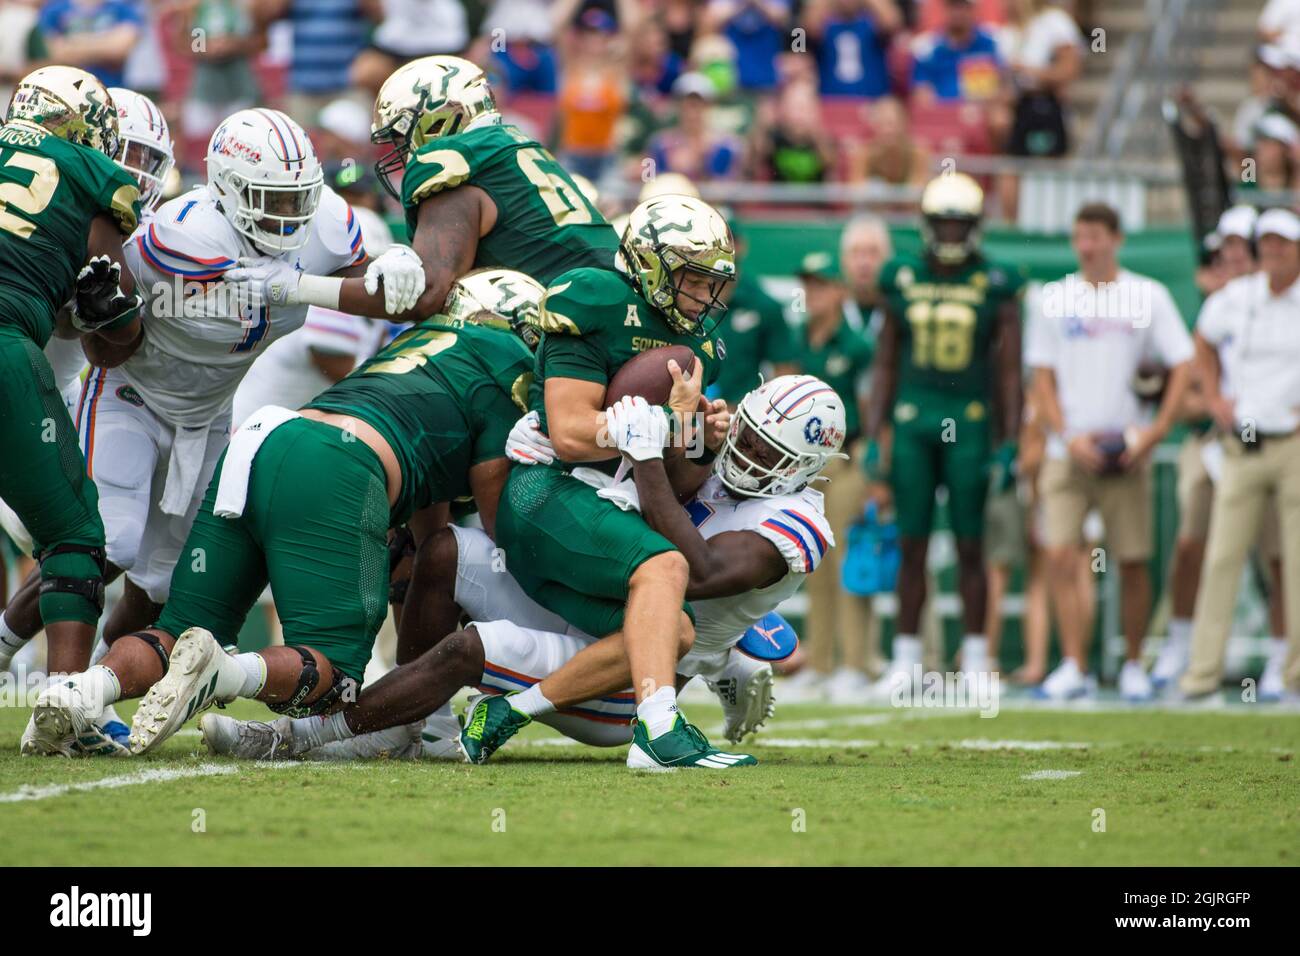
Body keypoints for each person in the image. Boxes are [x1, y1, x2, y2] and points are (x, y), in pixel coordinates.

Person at [12, 106, 428, 755]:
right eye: (270, 199)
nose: (288, 215)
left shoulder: (328, 224)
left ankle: (87, 690)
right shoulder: (181, 232)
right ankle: (14, 648)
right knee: (108, 542)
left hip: (211, 416)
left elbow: (371, 289)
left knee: (169, 586)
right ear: (226, 189)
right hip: (129, 393)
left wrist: (392, 264)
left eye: (298, 198)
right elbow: (106, 344)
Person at [201, 375, 844, 766]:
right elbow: (660, 488)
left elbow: (694, 569)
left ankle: (304, 735)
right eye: (748, 434)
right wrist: (671, 433)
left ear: (806, 465)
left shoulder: (798, 524)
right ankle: (417, 726)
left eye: (767, 451)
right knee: (447, 550)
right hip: (592, 604)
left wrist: (649, 458)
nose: (747, 454)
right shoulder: (721, 448)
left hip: (628, 672)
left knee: (468, 650)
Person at [29, 272, 545, 756]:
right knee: (334, 674)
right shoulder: (506, 369)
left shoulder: (425, 342)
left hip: (264, 441)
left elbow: (432, 518)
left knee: (177, 628)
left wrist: (421, 560)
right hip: (339, 466)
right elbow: (502, 526)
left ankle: (82, 691)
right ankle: (225, 675)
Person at [490, 193, 746, 770]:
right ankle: (657, 733)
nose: (707, 297)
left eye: (714, 284)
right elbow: (572, 432)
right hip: (547, 491)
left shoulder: (698, 344)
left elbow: (674, 483)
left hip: (606, 506)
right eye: (695, 280)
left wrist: (700, 437)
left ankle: (508, 712)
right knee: (666, 567)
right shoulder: (594, 297)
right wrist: (669, 423)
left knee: (673, 630)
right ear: (653, 265)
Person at [0, 67, 143, 751]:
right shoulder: (88, 172)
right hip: (3, 343)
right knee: (76, 533)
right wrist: (104, 305)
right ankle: (65, 712)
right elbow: (118, 336)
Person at [1027, 202, 1193, 701]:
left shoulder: (1148, 295)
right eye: (1079, 236)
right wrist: (1066, 434)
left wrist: (1154, 432)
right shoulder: (1053, 298)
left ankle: (1134, 663)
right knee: (1058, 554)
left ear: (1116, 238)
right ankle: (1074, 664)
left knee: (1132, 559)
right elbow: (1042, 376)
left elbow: (1183, 363)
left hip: (1127, 450)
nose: (1086, 245)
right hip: (1069, 450)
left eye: (1096, 235)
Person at [866, 172, 1024, 695]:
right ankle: (906, 660)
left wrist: (1009, 441)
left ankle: (976, 660)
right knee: (911, 544)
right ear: (929, 226)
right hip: (913, 420)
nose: (953, 236)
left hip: (971, 418)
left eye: (961, 226)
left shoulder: (995, 280)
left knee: (969, 544)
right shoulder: (902, 275)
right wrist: (874, 433)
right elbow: (886, 361)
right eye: (945, 225)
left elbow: (1008, 370)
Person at [1155, 205, 1288, 697]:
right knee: (1195, 545)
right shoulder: (1221, 307)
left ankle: (1280, 657)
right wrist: (1215, 403)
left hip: (1271, 441)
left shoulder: (1275, 302)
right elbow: (1188, 390)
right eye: (1225, 250)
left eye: (1238, 248)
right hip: (1216, 442)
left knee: (1277, 554)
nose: (1230, 257)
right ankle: (1182, 646)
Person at [780, 250, 875, 701]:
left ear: (839, 290)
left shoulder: (856, 345)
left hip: (846, 459)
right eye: (807, 285)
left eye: (820, 285)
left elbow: (875, 408)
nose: (811, 293)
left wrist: (875, 466)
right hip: (804, 465)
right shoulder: (797, 339)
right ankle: (821, 661)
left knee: (846, 563)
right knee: (813, 562)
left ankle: (856, 661)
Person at [910, 0, 1004, 104]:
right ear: (945, 10)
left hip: (980, 111)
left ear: (973, 10)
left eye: (963, 7)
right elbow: (921, 90)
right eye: (953, 7)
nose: (958, 13)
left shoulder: (989, 44)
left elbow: (1000, 86)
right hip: (942, 113)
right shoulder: (928, 48)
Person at [805, 0, 901, 98]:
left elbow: (892, 23)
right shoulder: (826, 27)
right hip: (831, 102)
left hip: (873, 103)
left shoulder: (872, 24)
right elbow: (806, 27)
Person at [37, 0, 142, 89]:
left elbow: (119, 49)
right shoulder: (53, 9)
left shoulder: (122, 9)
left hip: (112, 92)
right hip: (67, 92)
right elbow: (57, 54)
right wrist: (107, 42)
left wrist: (73, 43)